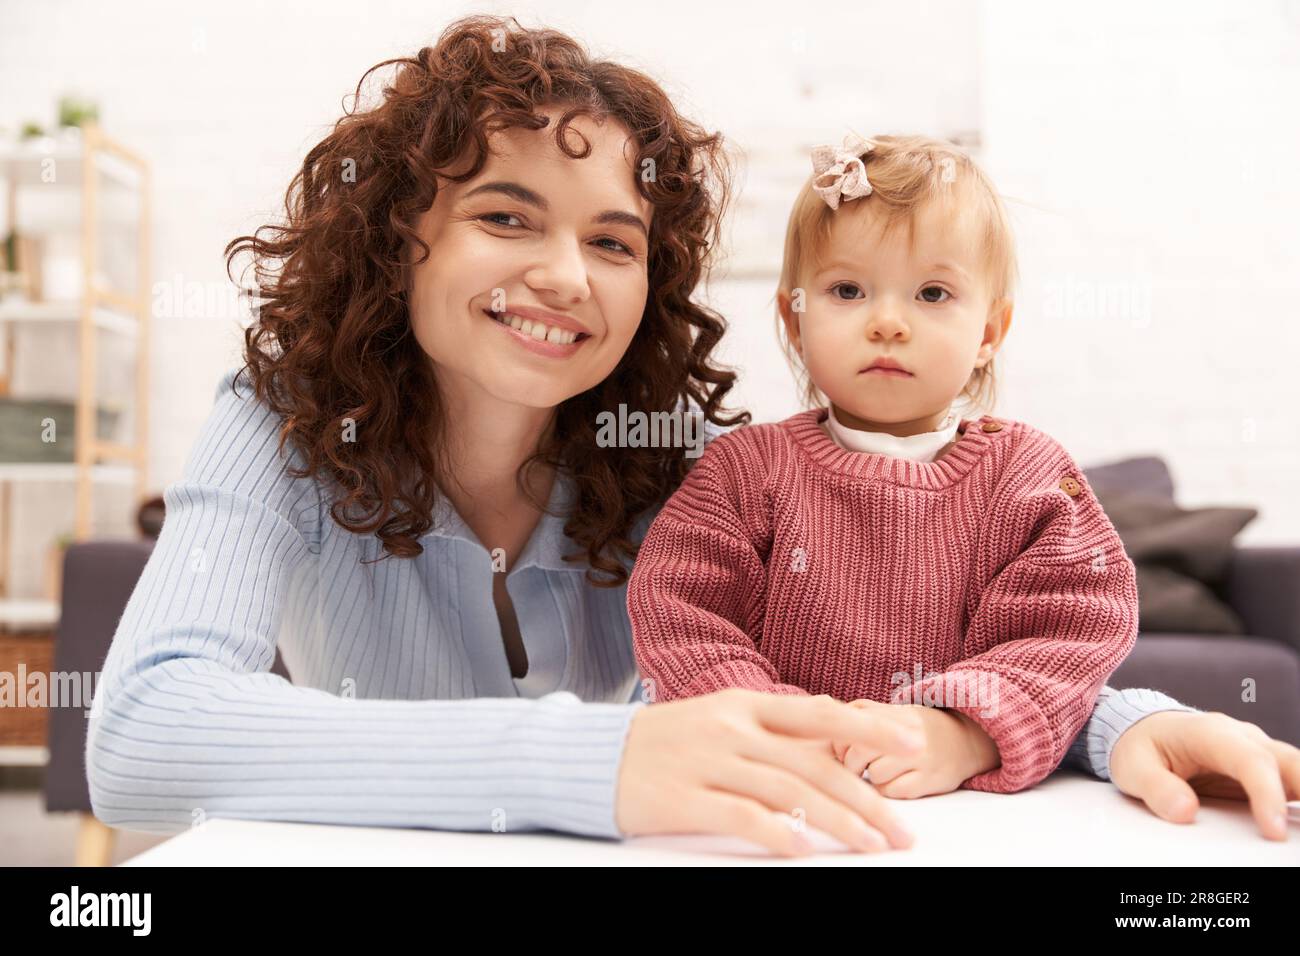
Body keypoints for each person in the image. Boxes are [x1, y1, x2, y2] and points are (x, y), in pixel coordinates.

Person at [86, 16, 1295, 858]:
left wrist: (1122, 720)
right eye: (508, 216)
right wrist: (593, 767)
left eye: (613, 241)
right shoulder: (283, 419)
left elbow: (877, 668)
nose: (564, 275)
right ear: (402, 236)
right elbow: (142, 733)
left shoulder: (692, 460)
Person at [630, 133, 1140, 799]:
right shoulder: (742, 473)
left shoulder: (1030, 477)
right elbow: (681, 616)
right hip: (776, 796)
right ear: (795, 320)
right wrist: (772, 728)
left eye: (931, 294)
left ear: (988, 332)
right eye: (848, 290)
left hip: (966, 822)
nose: (889, 323)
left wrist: (961, 731)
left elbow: (1069, 629)